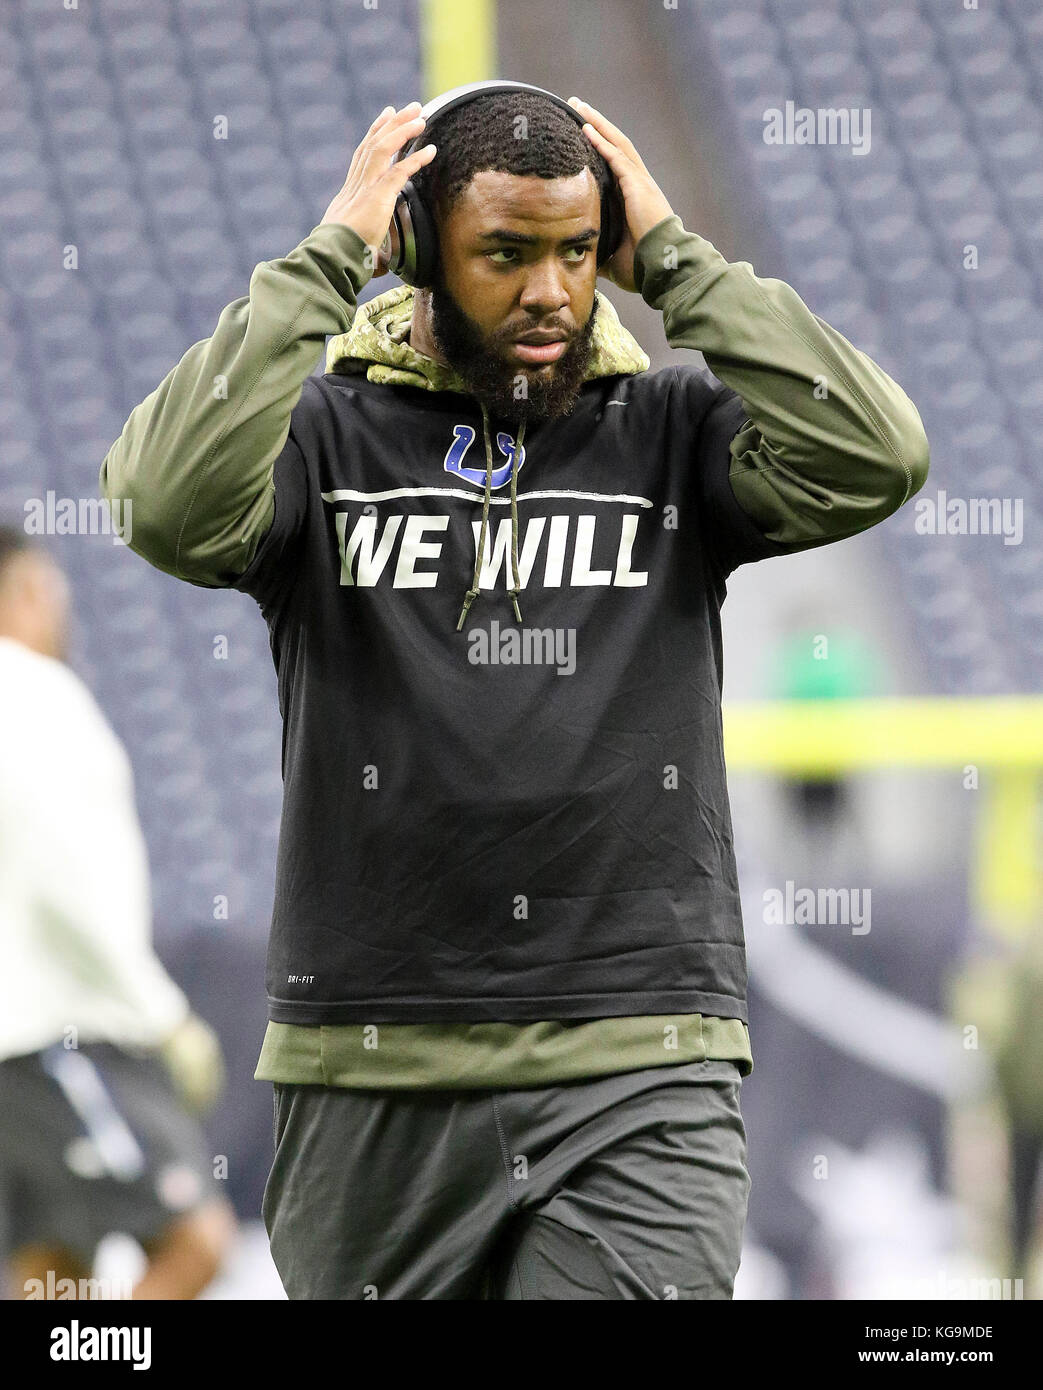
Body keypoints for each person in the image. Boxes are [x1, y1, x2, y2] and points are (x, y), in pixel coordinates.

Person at [100, 84, 930, 1299]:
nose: (549, 289)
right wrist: (327, 259)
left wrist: (680, 264)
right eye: (504, 253)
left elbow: (878, 451)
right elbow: (158, 504)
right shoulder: (321, 437)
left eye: (577, 251)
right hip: (369, 1073)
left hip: (636, 1062)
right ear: (423, 248)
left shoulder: (666, 430)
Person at [0, 528, 237, 1299]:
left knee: (53, 1265)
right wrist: (161, 1014)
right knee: (195, 1238)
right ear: (23, 591)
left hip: (20, 1043)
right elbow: (68, 881)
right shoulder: (31, 692)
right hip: (61, 1035)